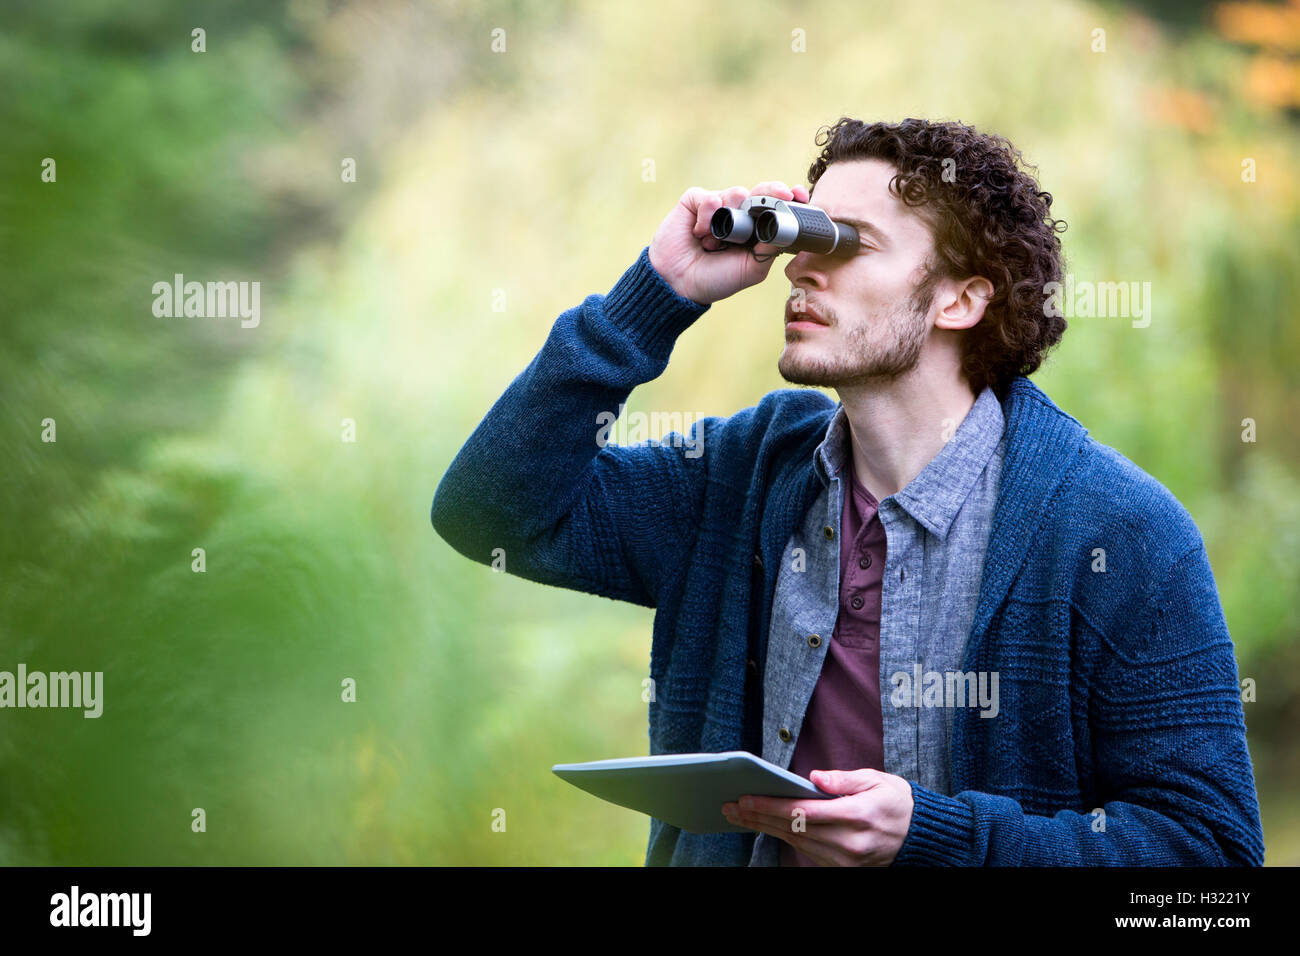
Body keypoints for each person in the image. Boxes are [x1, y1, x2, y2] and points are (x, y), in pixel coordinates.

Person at [431, 117, 1265, 866]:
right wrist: (657, 294)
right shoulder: (746, 475)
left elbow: (1211, 866)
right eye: (804, 238)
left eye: (849, 243)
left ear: (962, 298)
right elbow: (488, 509)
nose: (802, 270)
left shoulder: (1117, 531)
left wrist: (939, 840)